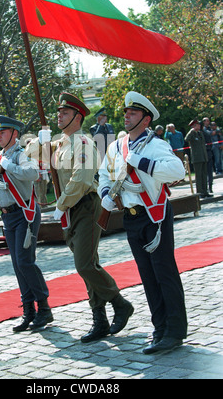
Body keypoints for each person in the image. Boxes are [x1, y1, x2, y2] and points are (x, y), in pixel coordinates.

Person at [26, 93, 134, 343]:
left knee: (84, 264)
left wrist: (61, 205)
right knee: (88, 266)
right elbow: (33, 154)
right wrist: (39, 141)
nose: (58, 116)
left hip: (86, 206)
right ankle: (100, 319)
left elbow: (82, 179)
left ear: (77, 117)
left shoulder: (82, 143)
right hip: (72, 210)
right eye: (58, 112)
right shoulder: (60, 143)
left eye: (64, 113)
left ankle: (120, 303)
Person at [99, 92, 187, 354]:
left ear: (146, 120)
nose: (127, 116)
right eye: (126, 112)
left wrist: (140, 162)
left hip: (154, 214)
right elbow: (104, 173)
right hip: (131, 217)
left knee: (165, 273)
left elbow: (176, 171)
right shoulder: (116, 146)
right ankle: (159, 328)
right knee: (147, 277)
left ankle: (174, 331)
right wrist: (105, 194)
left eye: (133, 113)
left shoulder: (154, 145)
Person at [0, 116, 53, 332]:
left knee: (25, 262)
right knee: (17, 264)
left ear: (14, 134)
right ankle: (29, 310)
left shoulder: (21, 155)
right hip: (7, 216)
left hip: (24, 213)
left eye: (3, 132)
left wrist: (10, 166)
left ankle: (45, 307)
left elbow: (32, 175)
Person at [185, 120, 210, 198]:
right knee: (198, 176)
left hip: (203, 157)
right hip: (197, 158)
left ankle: (205, 191)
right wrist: (191, 130)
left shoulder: (200, 133)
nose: (199, 126)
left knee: (204, 175)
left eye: (199, 125)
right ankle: (200, 192)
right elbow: (186, 139)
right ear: (193, 126)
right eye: (197, 125)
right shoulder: (192, 134)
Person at [202, 118, 214, 194]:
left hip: (210, 151)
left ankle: (210, 187)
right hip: (204, 152)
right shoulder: (203, 130)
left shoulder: (209, 128)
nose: (208, 122)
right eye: (206, 121)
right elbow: (209, 134)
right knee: (205, 172)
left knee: (210, 171)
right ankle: (205, 188)